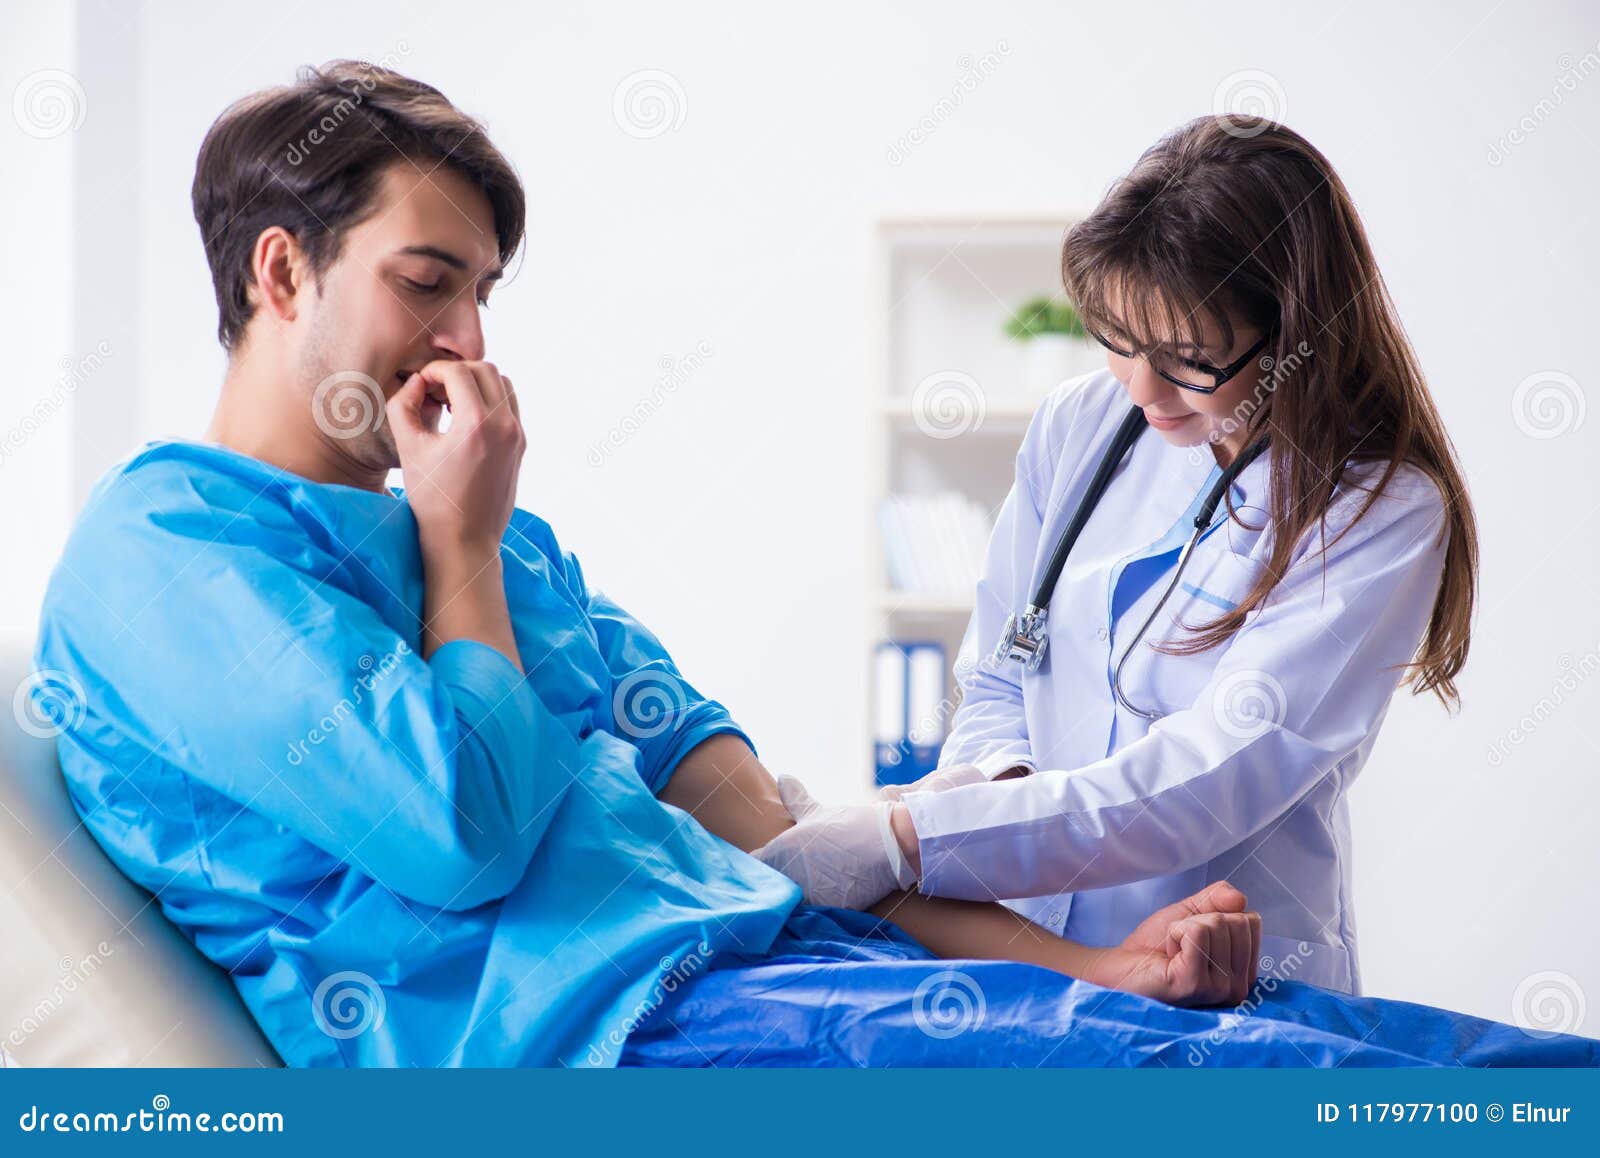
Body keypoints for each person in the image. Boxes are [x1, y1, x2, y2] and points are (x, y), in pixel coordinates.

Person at [32, 62, 1261, 1069]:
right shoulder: (167, 550)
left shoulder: (506, 543)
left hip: (780, 974)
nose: (467, 340)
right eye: (426, 285)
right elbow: (462, 835)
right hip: (592, 1046)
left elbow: (773, 840)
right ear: (283, 270)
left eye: (482, 294)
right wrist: (457, 538)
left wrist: (1101, 970)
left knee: (1336, 1049)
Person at [755, 114, 1480, 996]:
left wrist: (906, 839)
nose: (1142, 391)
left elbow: (1208, 779)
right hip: (1024, 956)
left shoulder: (1378, 509)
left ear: (1297, 335)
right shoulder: (1082, 425)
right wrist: (1002, 789)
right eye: (1119, 341)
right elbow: (995, 676)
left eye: (1189, 359)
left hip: (1228, 965)